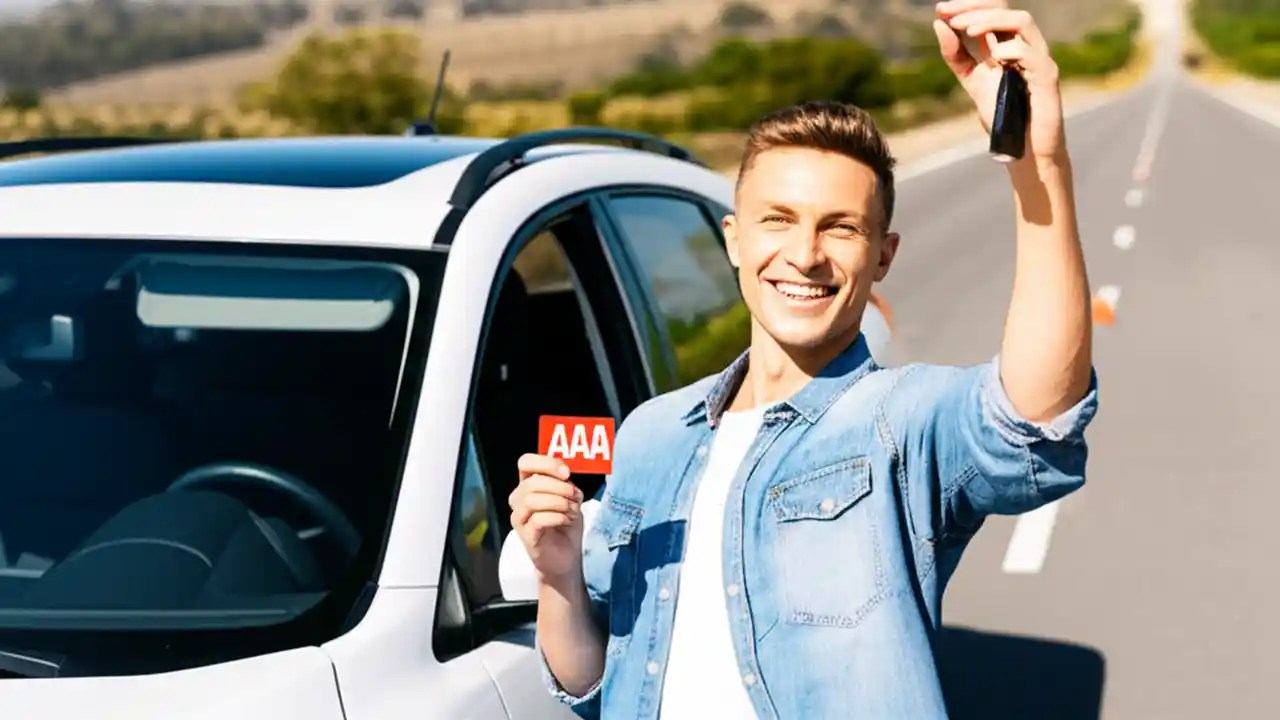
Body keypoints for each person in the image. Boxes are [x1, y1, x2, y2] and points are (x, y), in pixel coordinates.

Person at [507, 1, 1099, 717]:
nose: (806, 254)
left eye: (840, 228)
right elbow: (589, 689)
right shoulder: (650, 437)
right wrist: (560, 578)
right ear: (733, 240)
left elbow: (1035, 417)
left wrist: (1041, 168)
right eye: (778, 220)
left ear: (883, 256)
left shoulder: (898, 423)